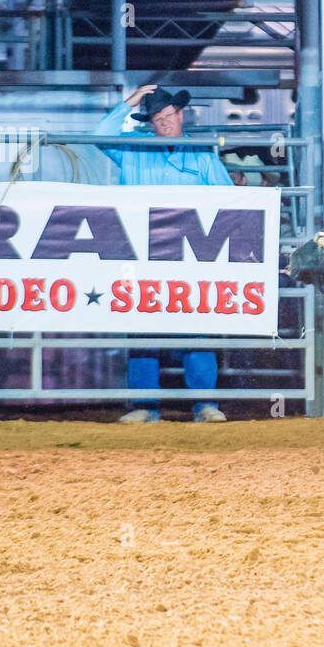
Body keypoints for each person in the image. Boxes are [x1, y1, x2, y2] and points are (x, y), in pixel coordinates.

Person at [94, 84, 233, 424]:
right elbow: (100, 135)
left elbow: (231, 201)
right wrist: (132, 97)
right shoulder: (134, 150)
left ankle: (204, 405)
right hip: (144, 254)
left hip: (192, 255)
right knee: (144, 327)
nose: (165, 122)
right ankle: (145, 406)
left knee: (197, 325)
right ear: (150, 122)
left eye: (169, 115)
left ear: (180, 114)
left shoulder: (202, 155)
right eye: (158, 118)